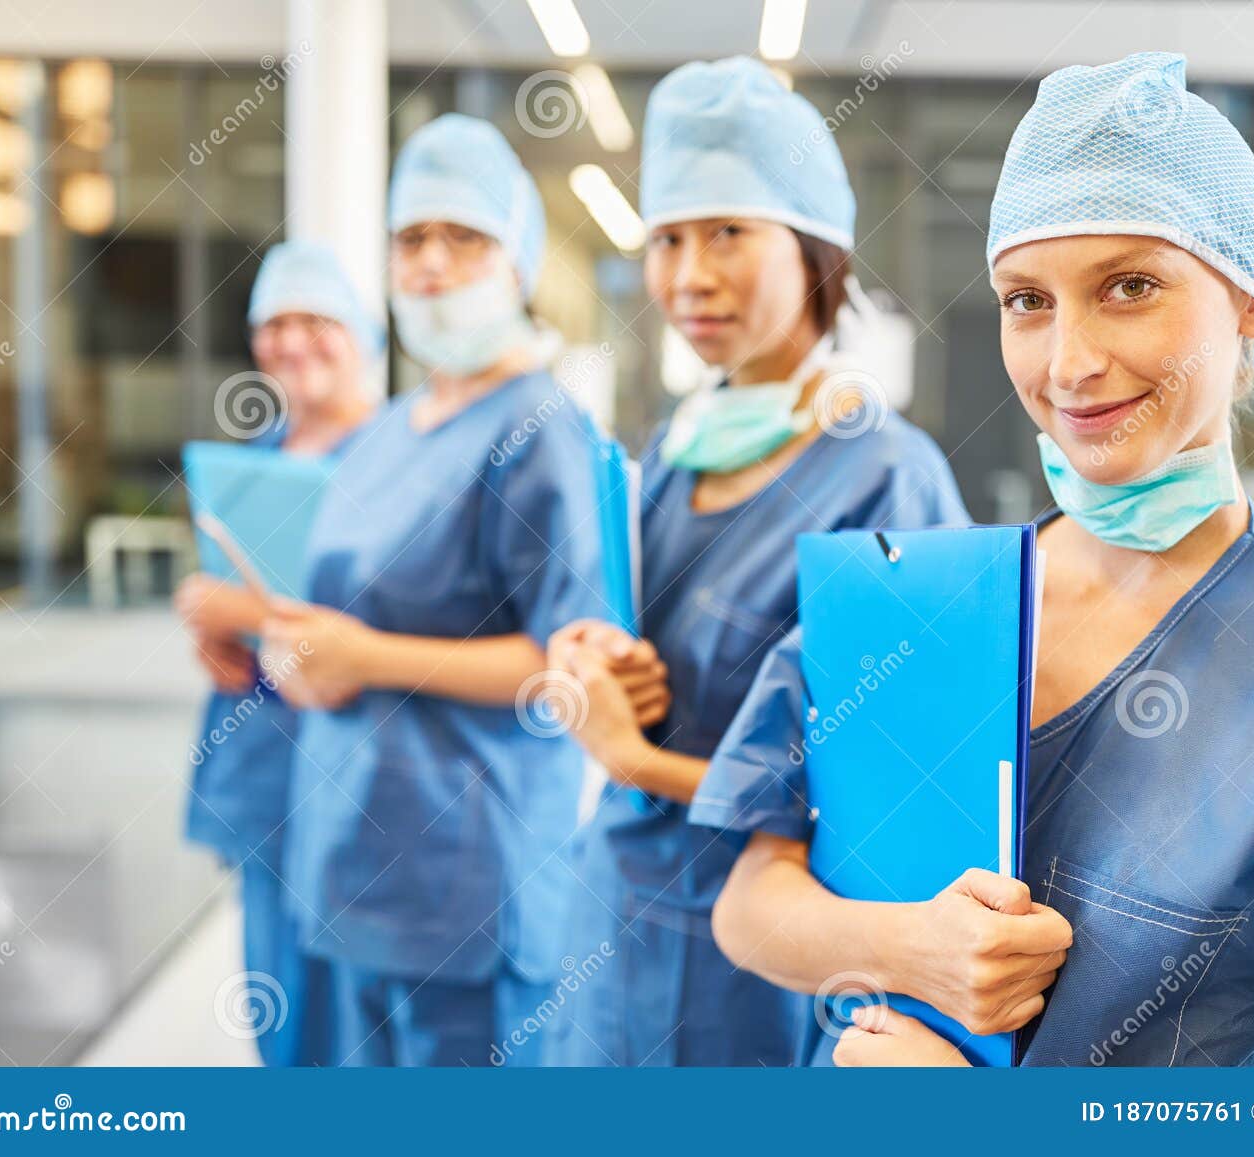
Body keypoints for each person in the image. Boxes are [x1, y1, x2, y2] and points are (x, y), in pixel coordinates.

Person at [693, 51, 1254, 1067]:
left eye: (1129, 285)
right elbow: (750, 896)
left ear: (1252, 302)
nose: (1068, 361)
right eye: (1026, 299)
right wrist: (907, 949)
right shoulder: (908, 595)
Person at [543, 56, 971, 1067]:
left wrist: (637, 758)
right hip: (618, 914)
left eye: (729, 231)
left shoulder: (888, 483)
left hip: (767, 960)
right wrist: (588, 658)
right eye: (670, 238)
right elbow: (624, 635)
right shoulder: (673, 456)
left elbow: (893, 796)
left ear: (814, 246)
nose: (689, 275)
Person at [261, 114, 609, 1067]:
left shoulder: (541, 429)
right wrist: (282, 650)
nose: (432, 263)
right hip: (346, 849)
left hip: (469, 872)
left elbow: (566, 658)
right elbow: (326, 606)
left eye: (465, 238)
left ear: (518, 264)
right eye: (412, 238)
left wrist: (366, 658)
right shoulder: (385, 431)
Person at [176, 240, 380, 1066]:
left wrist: (242, 608)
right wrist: (208, 622)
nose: (291, 342)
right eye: (273, 324)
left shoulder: (401, 457)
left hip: (368, 770)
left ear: (361, 330)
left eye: (314, 320)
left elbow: (406, 618)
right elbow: (235, 596)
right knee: (283, 1007)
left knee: (366, 1016)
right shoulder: (253, 465)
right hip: (264, 766)